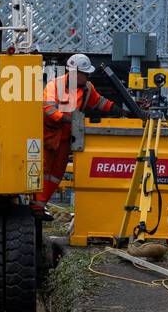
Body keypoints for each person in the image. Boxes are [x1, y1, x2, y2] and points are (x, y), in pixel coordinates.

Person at [37, 54, 118, 208]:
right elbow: (48, 108)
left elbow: (101, 103)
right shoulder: (55, 85)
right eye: (85, 73)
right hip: (48, 135)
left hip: (66, 138)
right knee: (42, 171)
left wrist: (121, 110)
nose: (87, 76)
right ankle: (37, 206)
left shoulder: (87, 88)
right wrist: (67, 119)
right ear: (74, 73)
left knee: (56, 175)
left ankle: (40, 205)